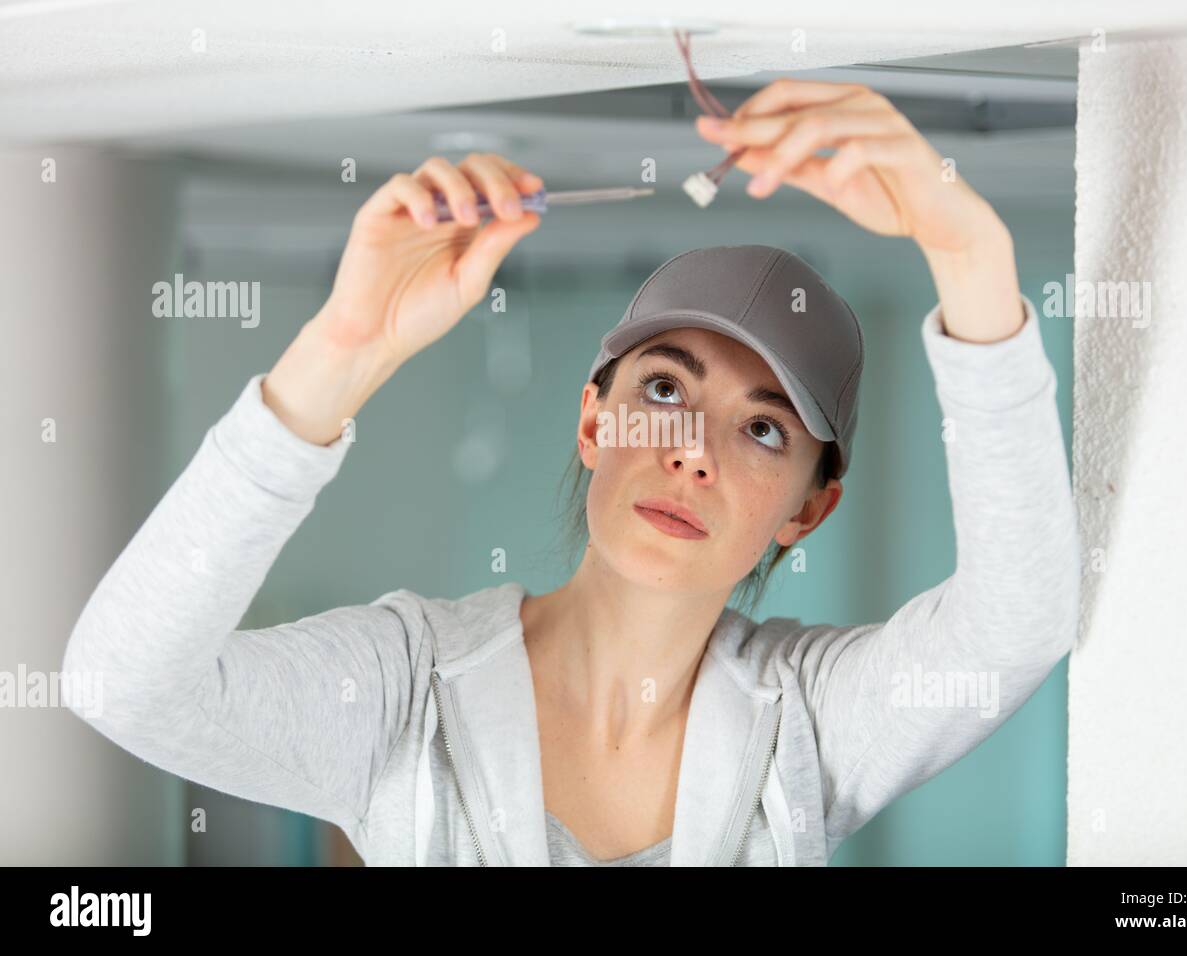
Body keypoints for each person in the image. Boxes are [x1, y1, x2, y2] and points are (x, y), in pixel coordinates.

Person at [61, 78, 1080, 866]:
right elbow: (126, 683)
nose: (692, 452)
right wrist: (347, 344)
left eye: (763, 431)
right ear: (594, 421)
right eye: (666, 391)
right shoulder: (403, 686)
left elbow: (1019, 617)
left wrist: (966, 246)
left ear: (808, 511)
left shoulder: (810, 719)